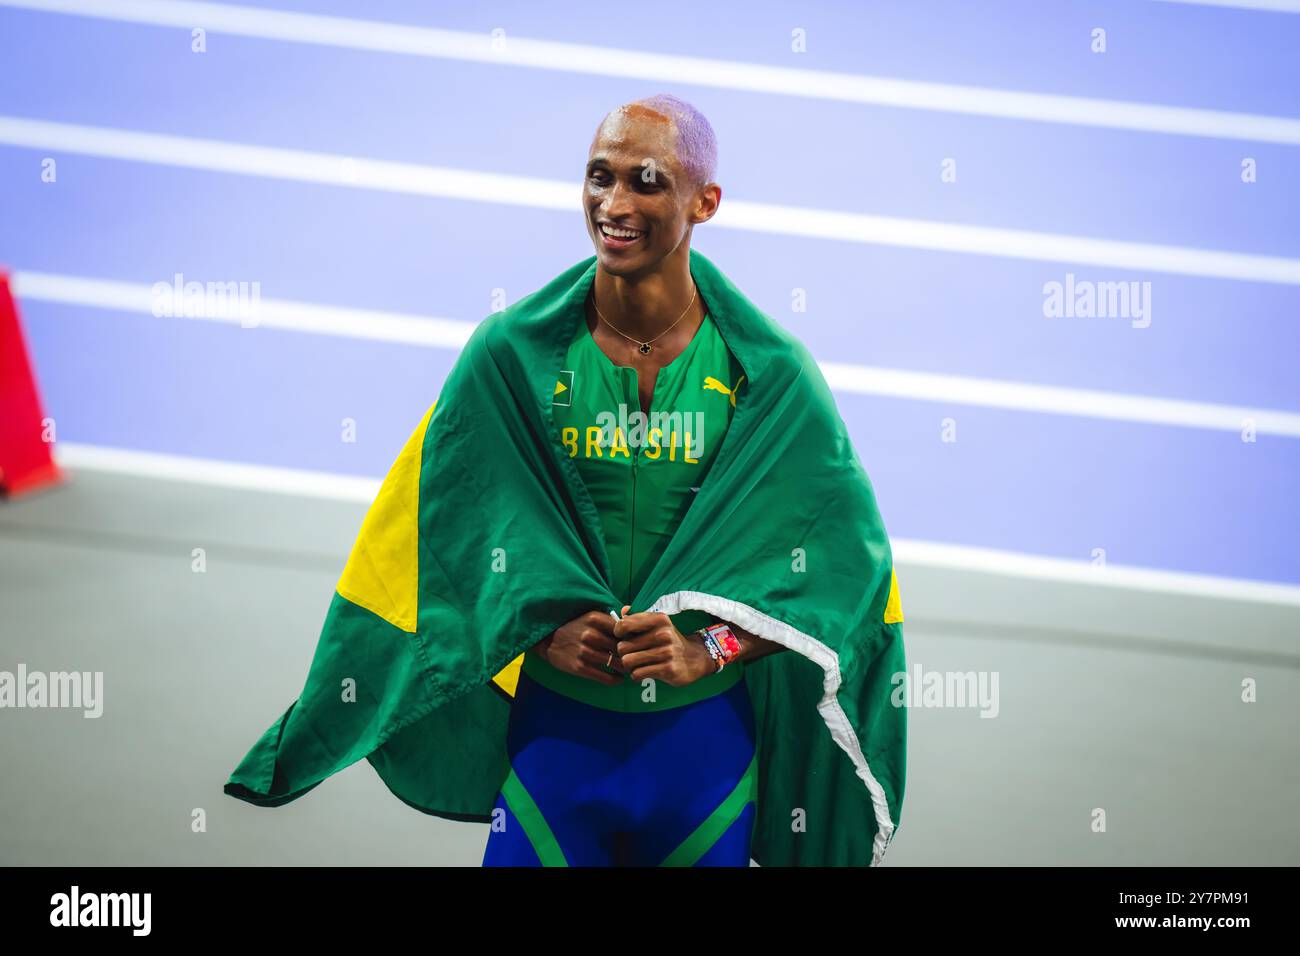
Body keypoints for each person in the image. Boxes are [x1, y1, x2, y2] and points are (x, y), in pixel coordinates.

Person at [225, 93, 907, 869]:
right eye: (598, 177)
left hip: (702, 761)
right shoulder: (511, 354)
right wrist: (537, 626)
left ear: (704, 202)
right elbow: (443, 536)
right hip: (557, 752)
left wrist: (710, 647)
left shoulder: (769, 373)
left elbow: (841, 570)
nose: (614, 205)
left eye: (646, 182)